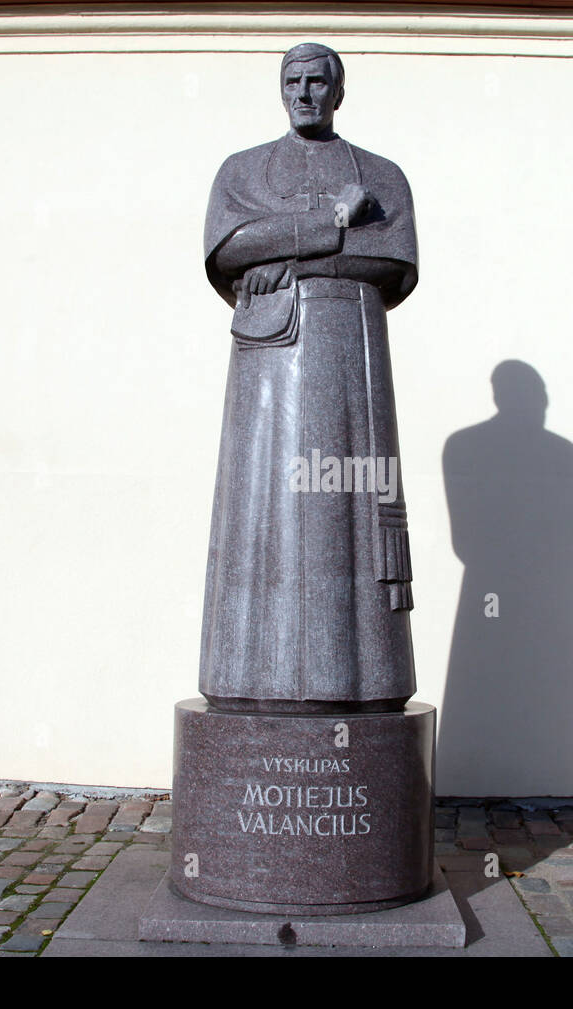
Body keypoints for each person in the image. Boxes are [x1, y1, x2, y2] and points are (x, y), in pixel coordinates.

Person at [199, 42, 419, 713]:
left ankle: (361, 688)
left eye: (317, 81)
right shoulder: (243, 170)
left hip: (351, 357)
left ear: (338, 91)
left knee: (347, 512)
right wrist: (327, 227)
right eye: (291, 81)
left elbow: (392, 263)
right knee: (263, 512)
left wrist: (284, 252)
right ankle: (250, 685)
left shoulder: (380, 178)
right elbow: (228, 251)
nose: (303, 94)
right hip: (266, 364)